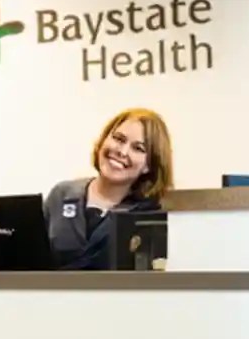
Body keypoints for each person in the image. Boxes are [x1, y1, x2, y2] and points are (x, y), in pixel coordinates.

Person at [43, 108, 174, 270]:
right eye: (119, 139)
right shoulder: (61, 195)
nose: (122, 151)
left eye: (138, 148)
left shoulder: (150, 215)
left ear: (149, 165)